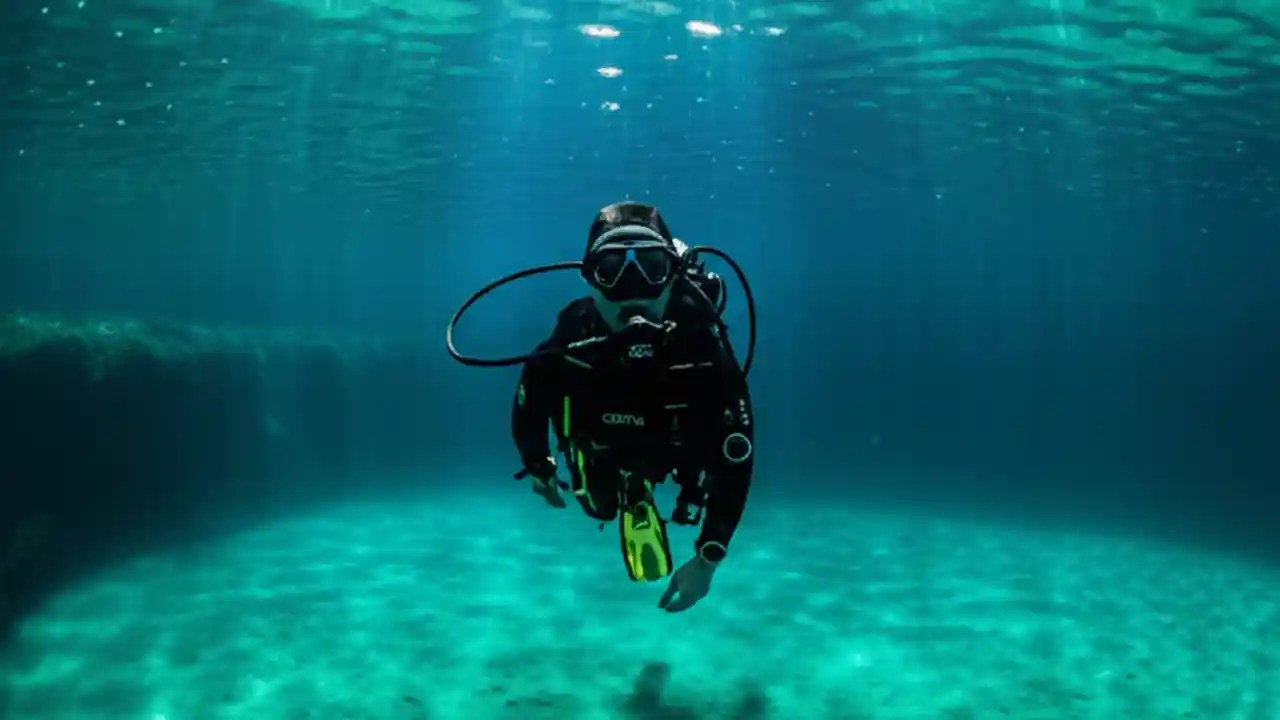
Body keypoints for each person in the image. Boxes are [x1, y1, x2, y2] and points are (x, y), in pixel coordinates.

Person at [509, 201, 755, 613]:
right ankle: (629, 489)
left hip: (676, 452)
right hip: (601, 445)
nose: (633, 288)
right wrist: (539, 464)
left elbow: (738, 455)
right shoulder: (575, 333)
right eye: (612, 269)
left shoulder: (702, 341)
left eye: (651, 266)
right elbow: (530, 398)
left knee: (669, 484)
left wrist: (708, 560)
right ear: (590, 278)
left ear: (673, 275)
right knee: (597, 505)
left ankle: (636, 487)